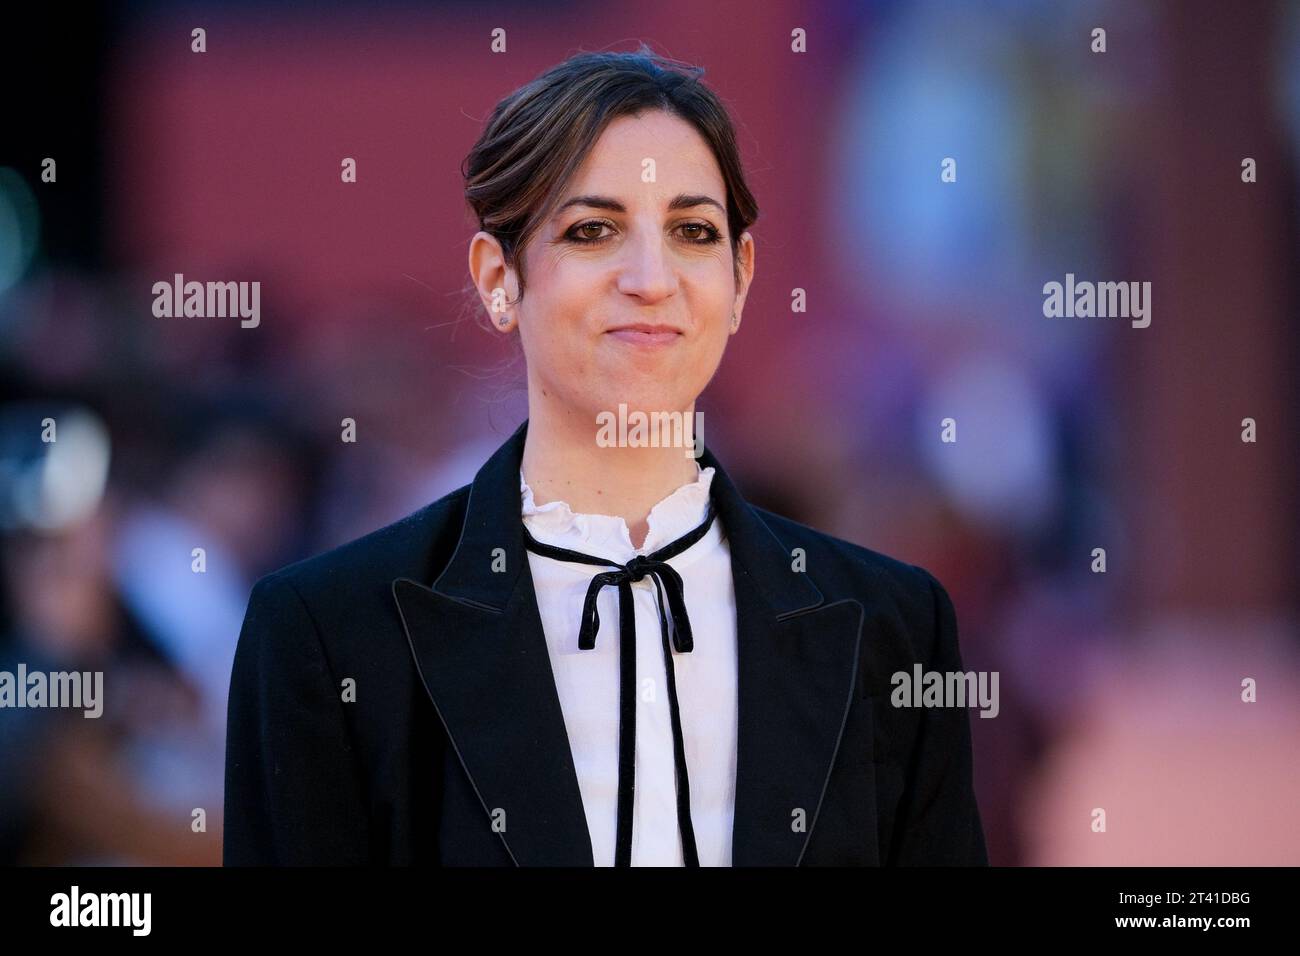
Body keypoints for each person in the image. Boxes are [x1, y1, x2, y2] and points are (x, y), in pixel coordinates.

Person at [223, 45, 987, 866]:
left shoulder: (891, 624)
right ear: (497, 280)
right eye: (594, 230)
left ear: (741, 275)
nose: (651, 278)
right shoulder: (329, 632)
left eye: (693, 231)